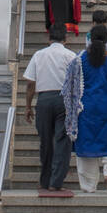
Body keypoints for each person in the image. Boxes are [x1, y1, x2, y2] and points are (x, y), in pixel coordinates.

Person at [62, 24, 107, 193]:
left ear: (90, 39)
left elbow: (67, 88)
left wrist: (70, 111)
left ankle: (88, 186)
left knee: (86, 148)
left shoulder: (78, 60)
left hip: (85, 110)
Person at [23, 23, 74, 195]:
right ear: (65, 38)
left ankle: (44, 181)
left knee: (45, 142)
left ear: (49, 38)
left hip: (43, 100)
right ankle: (56, 182)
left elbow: (30, 83)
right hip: (64, 101)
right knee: (62, 141)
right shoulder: (71, 56)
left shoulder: (39, 55)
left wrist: (28, 106)